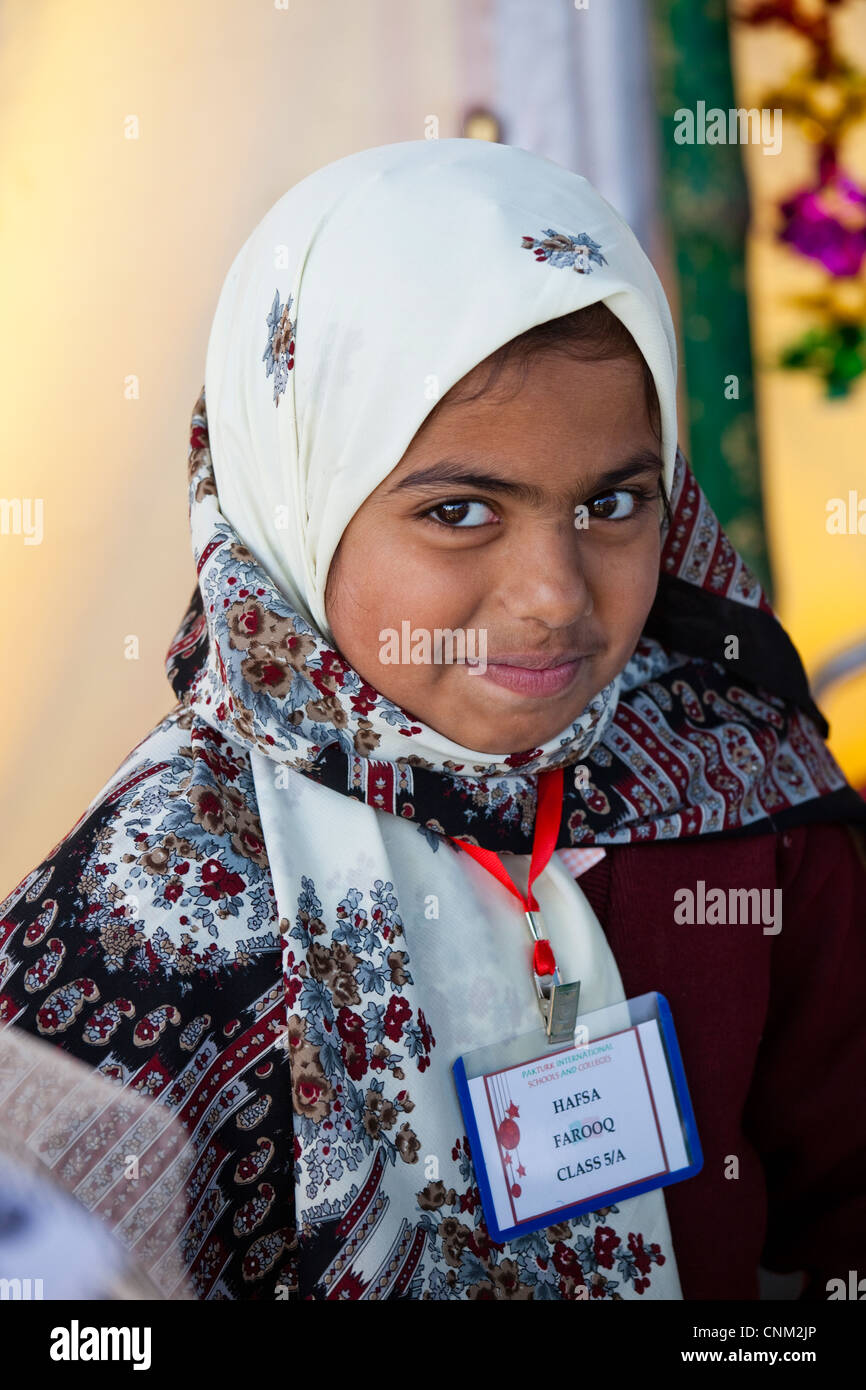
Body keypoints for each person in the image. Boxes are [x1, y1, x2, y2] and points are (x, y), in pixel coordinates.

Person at [1, 138, 864, 1302]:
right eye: (460, 510)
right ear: (295, 505)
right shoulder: (151, 907)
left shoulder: (739, 794)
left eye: (611, 502)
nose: (555, 594)